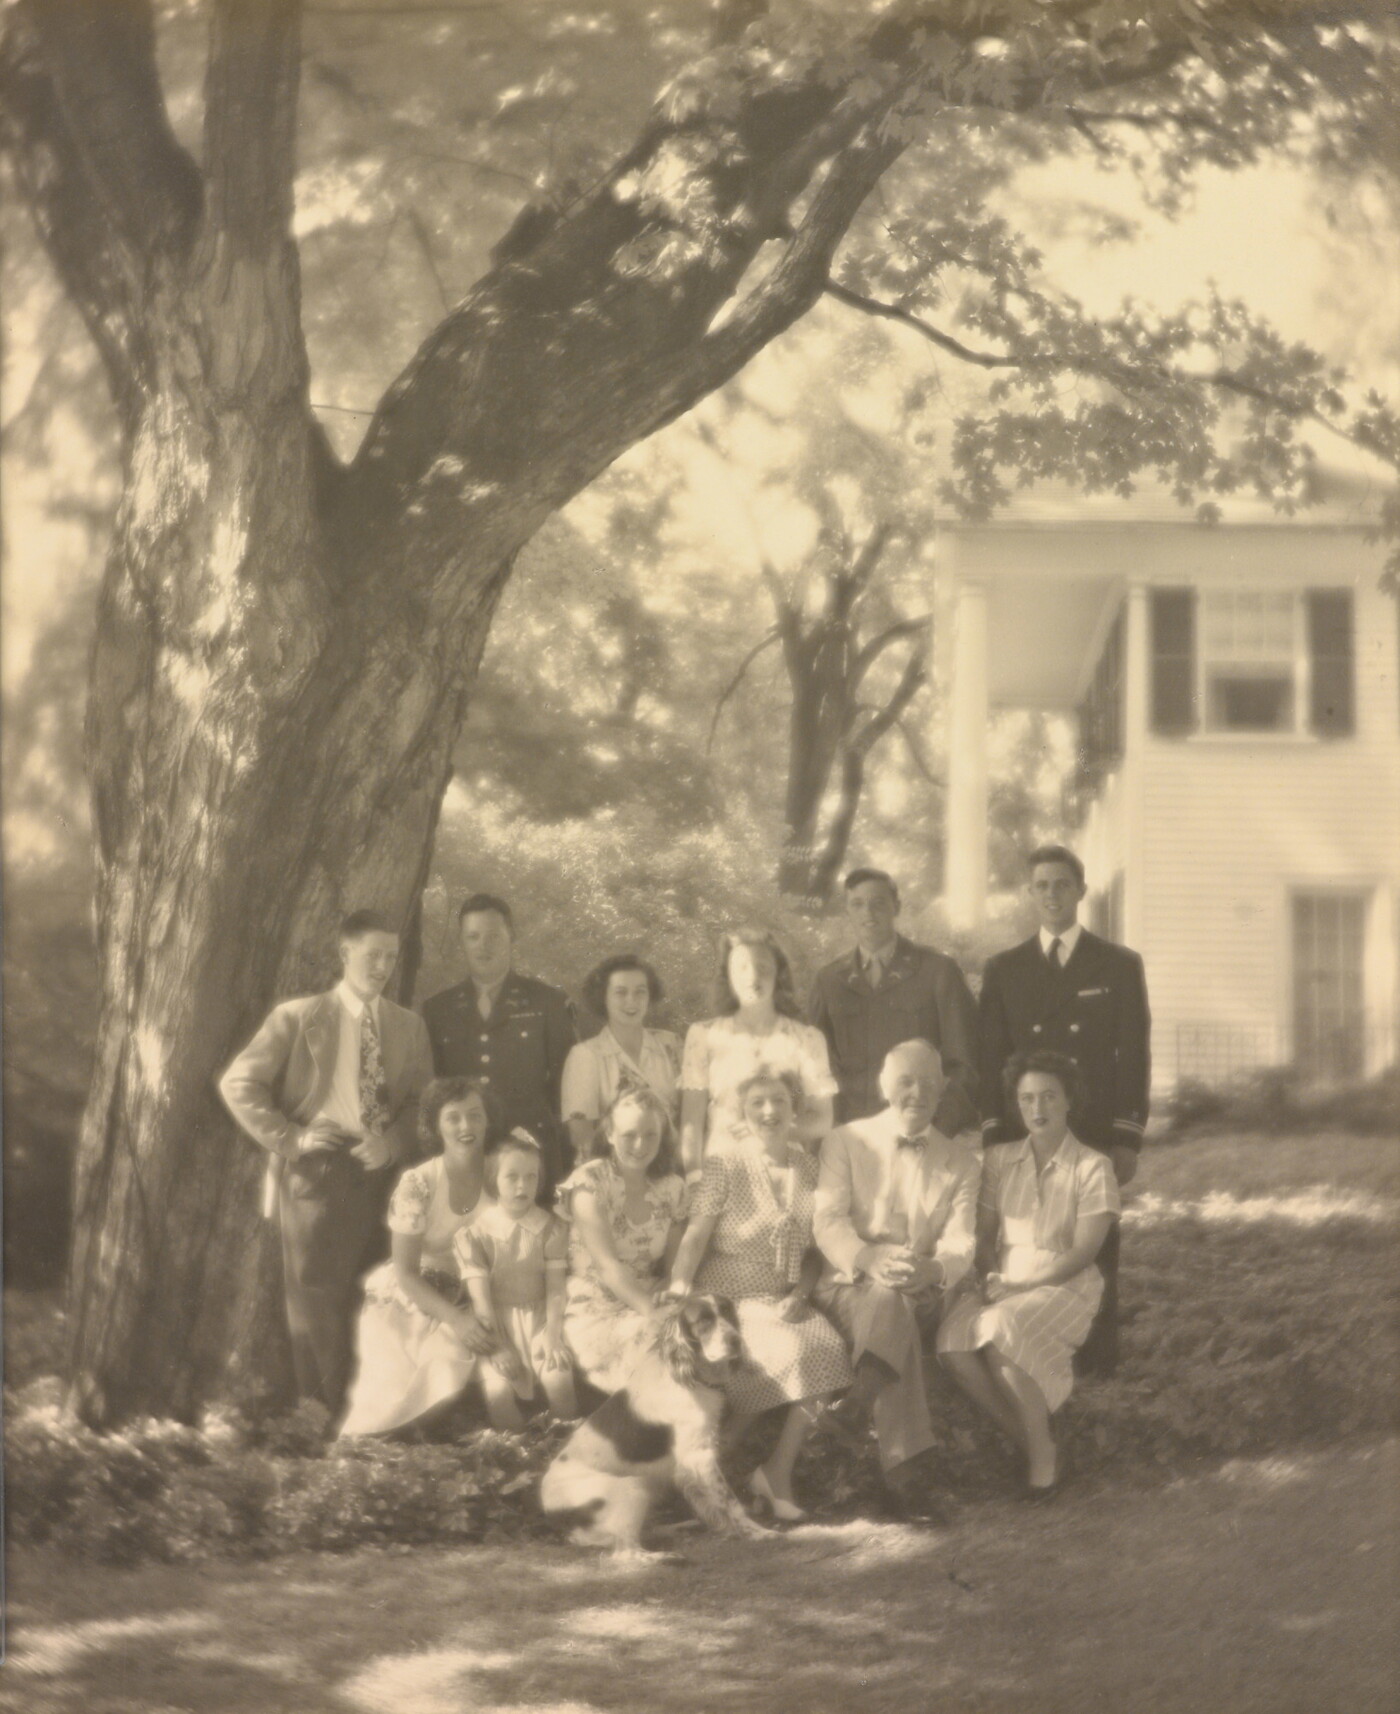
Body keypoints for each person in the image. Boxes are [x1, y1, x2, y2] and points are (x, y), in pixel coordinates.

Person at [219, 909, 433, 1416]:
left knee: (385, 1291)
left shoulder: (407, 1026)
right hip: (320, 1171)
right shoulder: (298, 1016)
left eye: (390, 956)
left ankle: (381, 1415)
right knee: (317, 1297)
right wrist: (291, 1138)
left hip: (387, 1174)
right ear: (345, 953)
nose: (381, 966)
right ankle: (326, 1417)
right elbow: (238, 1084)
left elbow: (424, 1101)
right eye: (371, 954)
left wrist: (393, 1143)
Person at [977, 844, 1150, 1376]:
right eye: (1041, 886)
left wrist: (1126, 1134)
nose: (1051, 895)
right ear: (1030, 894)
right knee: (1028, 1236)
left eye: (1062, 884)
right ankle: (1028, 1342)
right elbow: (990, 1058)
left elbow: (1134, 1052)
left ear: (1081, 891)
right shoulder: (1004, 968)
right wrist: (992, 1133)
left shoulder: (1118, 964)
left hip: (1092, 1125)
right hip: (1025, 1127)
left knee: (1094, 1244)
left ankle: (1097, 1361)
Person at [668, 1067, 852, 1522]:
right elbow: (695, 1236)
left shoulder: (810, 1169)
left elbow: (816, 1249)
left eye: (779, 1102)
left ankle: (773, 1472)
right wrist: (677, 1288)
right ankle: (706, 1472)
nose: (769, 1112)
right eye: (757, 1104)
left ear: (795, 1109)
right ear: (743, 1113)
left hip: (784, 1298)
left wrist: (802, 1294)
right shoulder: (724, 1165)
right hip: (729, 1301)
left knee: (829, 1350)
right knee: (788, 1353)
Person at [812, 1040, 980, 1522]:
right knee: (889, 1298)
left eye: (929, 1081)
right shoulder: (844, 1140)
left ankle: (857, 1406)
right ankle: (904, 1479)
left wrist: (934, 1268)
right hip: (847, 1285)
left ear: (944, 1088)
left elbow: (961, 1242)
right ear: (885, 1085)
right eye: (906, 1079)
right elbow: (827, 1222)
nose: (917, 1091)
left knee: (898, 1297)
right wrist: (868, 1256)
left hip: (921, 1290)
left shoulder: (962, 1162)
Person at [939, 1052, 1119, 1497]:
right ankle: (1037, 1444)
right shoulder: (998, 1160)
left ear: (1068, 1101)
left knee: (1001, 1327)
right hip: (1004, 1281)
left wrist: (1023, 1286)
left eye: (1049, 1097)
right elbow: (982, 1237)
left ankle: (1040, 1459)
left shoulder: (1094, 1167)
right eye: (1027, 1099)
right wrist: (991, 1275)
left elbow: (1084, 1252)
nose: (1037, 1110)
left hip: (1064, 1285)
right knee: (950, 1344)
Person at [338, 1078, 500, 1437]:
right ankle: (367, 1446)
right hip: (415, 1292)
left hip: (477, 1292)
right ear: (435, 1126)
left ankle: (417, 1439)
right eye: (453, 1118)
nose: (466, 1127)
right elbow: (407, 1273)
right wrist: (456, 1320)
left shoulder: (502, 1175)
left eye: (475, 1116)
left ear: (488, 1121)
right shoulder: (419, 1183)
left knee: (448, 1360)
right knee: (392, 1371)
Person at [422, 893, 577, 1197]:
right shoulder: (438, 1010)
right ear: (462, 943)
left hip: (532, 1156)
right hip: (463, 1157)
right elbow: (433, 1093)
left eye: (493, 935)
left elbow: (567, 1090)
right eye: (473, 936)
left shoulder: (548, 1003)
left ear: (511, 936)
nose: (483, 945)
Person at [809, 869, 980, 1135]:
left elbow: (967, 1064)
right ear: (847, 911)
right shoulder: (829, 980)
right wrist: (831, 1128)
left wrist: (935, 1129)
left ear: (896, 907)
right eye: (858, 904)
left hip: (921, 1131)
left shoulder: (938, 971)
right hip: (851, 1136)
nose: (868, 913)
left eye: (878, 903)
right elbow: (813, 1066)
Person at [555, 1085, 689, 1392]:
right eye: (629, 1135)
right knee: (651, 1343)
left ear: (663, 1136)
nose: (640, 1145)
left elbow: (674, 1266)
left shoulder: (672, 1188)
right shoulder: (591, 1182)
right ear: (610, 1135)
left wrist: (668, 1299)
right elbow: (606, 1265)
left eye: (650, 1135)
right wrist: (651, 1312)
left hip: (649, 1293)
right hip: (595, 1302)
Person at [679, 926, 837, 1179]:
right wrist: (694, 1179)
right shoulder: (703, 1036)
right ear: (728, 977)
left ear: (778, 975)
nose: (753, 977)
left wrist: (770, 1127)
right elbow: (691, 1123)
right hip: (721, 1172)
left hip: (785, 1172)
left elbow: (822, 1120)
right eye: (741, 967)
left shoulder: (806, 1039)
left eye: (763, 967)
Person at [457, 1130, 579, 1428]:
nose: (522, 1186)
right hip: (495, 1325)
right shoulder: (477, 1233)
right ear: (493, 1179)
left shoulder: (550, 1229)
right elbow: (481, 1299)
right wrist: (497, 1346)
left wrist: (552, 1336)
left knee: (559, 1378)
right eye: (512, 1177)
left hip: (539, 1319)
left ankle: (567, 1443)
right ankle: (518, 1453)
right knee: (498, 1393)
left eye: (531, 1176)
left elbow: (555, 1289)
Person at [561, 954, 681, 1163]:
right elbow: (581, 1136)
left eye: (640, 992)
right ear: (603, 997)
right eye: (620, 992)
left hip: (673, 1165)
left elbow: (691, 1117)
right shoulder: (586, 1055)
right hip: (613, 1171)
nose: (631, 1001)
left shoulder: (671, 1045)